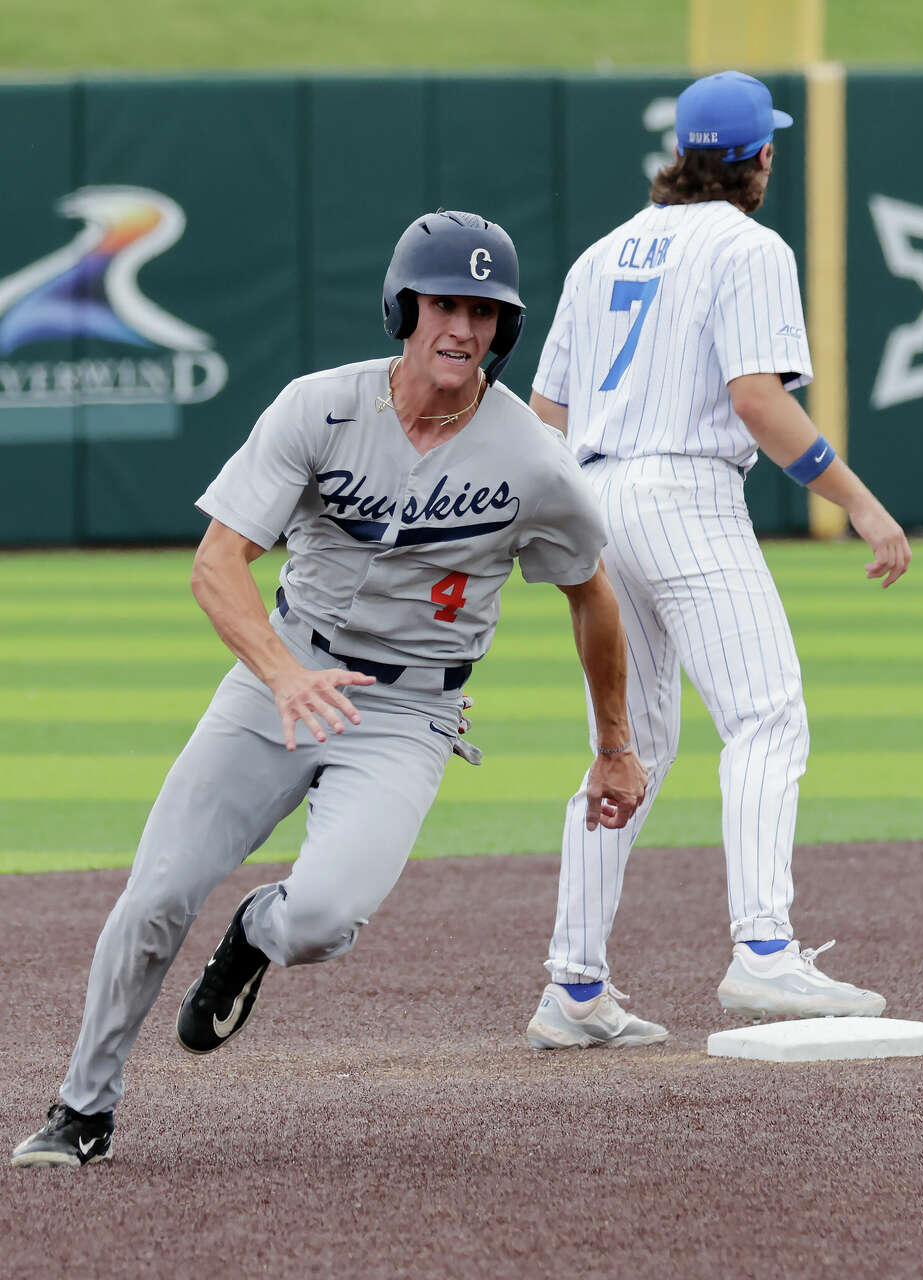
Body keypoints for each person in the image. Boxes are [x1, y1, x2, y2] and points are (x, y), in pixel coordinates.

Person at [12, 209, 658, 1168]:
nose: (463, 328)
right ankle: (83, 1108)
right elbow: (217, 564)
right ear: (403, 307)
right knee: (156, 897)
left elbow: (591, 594)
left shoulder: (531, 458)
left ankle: (255, 933)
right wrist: (282, 675)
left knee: (319, 923)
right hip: (279, 674)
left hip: (410, 711)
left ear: (505, 327)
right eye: (445, 304)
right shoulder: (319, 409)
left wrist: (615, 747)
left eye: (485, 311)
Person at [524, 72, 912, 1052]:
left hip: (593, 498)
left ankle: (574, 986)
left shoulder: (600, 253)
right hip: (686, 492)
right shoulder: (750, 246)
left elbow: (545, 417)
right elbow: (756, 400)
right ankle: (764, 947)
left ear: (680, 152)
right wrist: (860, 502)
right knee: (766, 715)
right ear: (762, 157)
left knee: (629, 748)